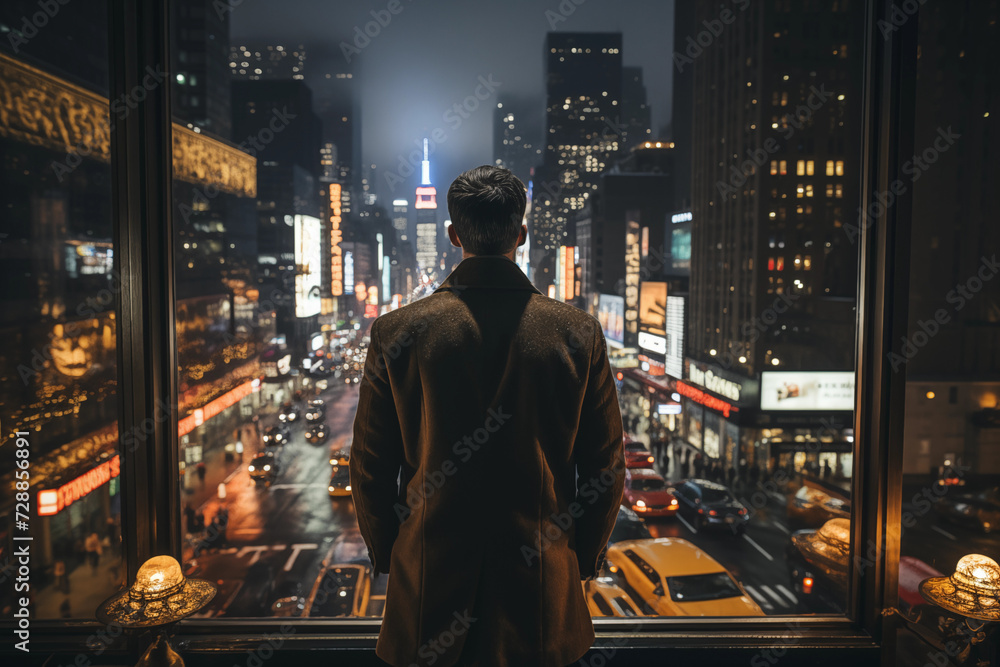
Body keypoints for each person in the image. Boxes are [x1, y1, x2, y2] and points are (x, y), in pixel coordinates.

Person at [350, 166, 625, 667]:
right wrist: (576, 560)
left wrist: (397, 555)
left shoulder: (396, 333)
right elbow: (605, 470)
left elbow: (369, 467)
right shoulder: (576, 334)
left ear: (454, 235)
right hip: (541, 600)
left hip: (428, 596)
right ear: (520, 234)